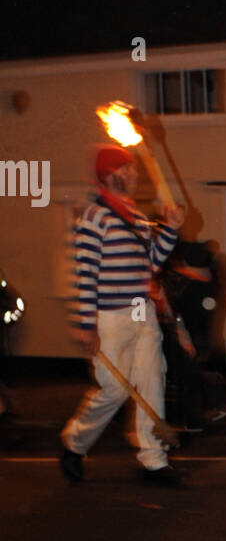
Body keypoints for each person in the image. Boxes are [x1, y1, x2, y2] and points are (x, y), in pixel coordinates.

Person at [60, 145, 184, 484]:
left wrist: (170, 230)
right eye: (127, 169)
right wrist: (87, 325)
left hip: (141, 310)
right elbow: (85, 274)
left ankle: (154, 460)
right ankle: (75, 442)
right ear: (109, 174)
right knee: (114, 390)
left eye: (133, 168)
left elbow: (152, 265)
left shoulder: (138, 218)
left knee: (152, 380)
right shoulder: (93, 217)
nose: (134, 174)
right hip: (108, 315)